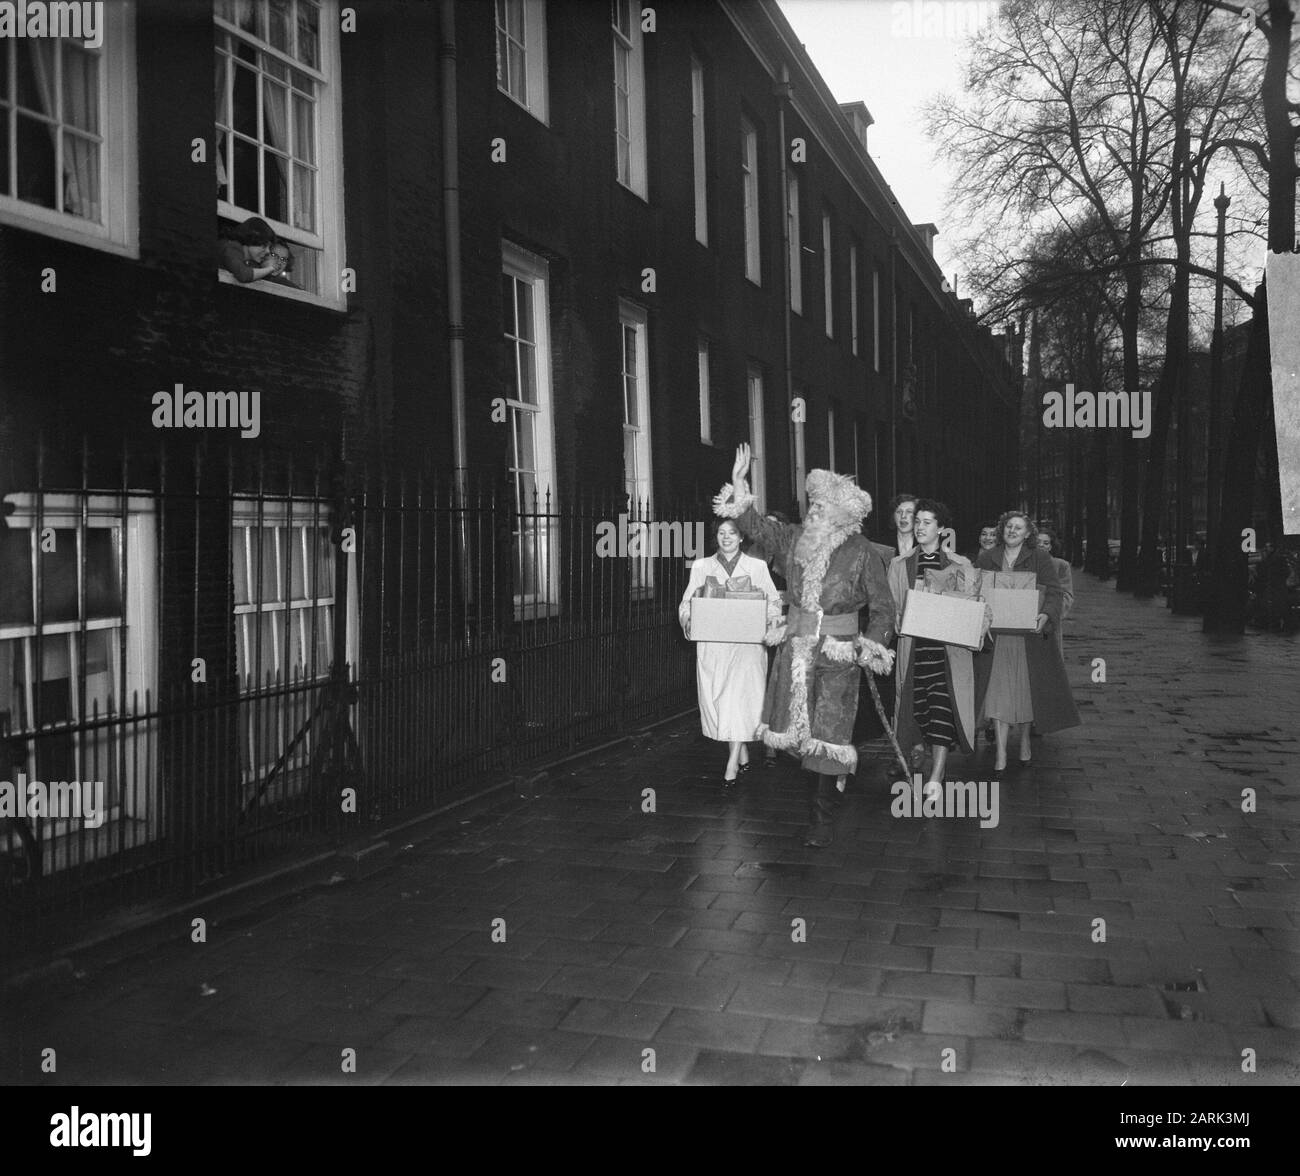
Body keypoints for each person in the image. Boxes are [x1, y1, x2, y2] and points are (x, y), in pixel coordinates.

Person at [716, 443, 894, 848]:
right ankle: (826, 785)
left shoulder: (862, 552)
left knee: (829, 732)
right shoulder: (795, 537)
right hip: (796, 649)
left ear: (841, 514)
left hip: (836, 653)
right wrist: (741, 482)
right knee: (796, 732)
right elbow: (756, 527)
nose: (813, 509)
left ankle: (821, 817)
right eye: (812, 503)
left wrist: (871, 645)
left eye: (822, 505)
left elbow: (884, 609)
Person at [888, 499, 988, 792]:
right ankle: (925, 757)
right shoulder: (899, 565)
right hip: (914, 651)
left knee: (942, 709)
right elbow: (890, 605)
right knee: (919, 711)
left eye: (926, 522)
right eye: (917, 521)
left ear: (941, 529)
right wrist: (894, 618)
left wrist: (973, 624)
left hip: (947, 653)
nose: (919, 527)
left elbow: (976, 609)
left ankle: (936, 775)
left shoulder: (961, 565)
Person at [678, 519, 782, 787]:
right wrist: (689, 620)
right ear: (716, 537)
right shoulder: (702, 567)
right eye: (722, 533)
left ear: (741, 537)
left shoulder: (757, 567)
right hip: (714, 645)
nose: (726, 537)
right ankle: (742, 749)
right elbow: (687, 603)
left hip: (747, 645)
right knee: (721, 701)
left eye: (732, 533)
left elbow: (773, 602)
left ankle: (731, 763)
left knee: (739, 699)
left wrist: (770, 622)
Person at [975, 510, 1080, 772]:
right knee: (997, 694)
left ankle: (1023, 740)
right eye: (1008, 526)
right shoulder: (987, 557)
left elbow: (1054, 592)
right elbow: (977, 591)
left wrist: (1046, 614)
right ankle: (1000, 753)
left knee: (1023, 693)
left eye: (1018, 528)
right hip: (997, 638)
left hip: (1027, 639)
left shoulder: (1040, 558)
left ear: (1028, 534)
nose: (1012, 531)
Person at [749, 511, 791, 767]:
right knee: (765, 681)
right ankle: (768, 741)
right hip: (760, 625)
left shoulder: (791, 554)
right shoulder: (753, 554)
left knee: (784, 680)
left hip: (788, 625)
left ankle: (782, 737)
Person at [1036, 524, 1074, 656]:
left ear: (1051, 547)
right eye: (1037, 542)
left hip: (1050, 627)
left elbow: (1067, 596)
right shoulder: (1021, 565)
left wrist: (1049, 614)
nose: (1041, 545)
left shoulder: (1061, 566)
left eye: (1046, 543)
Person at [217, 216, 288, 283]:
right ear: (251, 239)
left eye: (269, 247)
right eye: (264, 246)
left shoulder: (247, 261)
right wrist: (271, 268)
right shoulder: (231, 248)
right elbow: (243, 275)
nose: (267, 251)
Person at [887, 493, 919, 557]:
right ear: (893, 516)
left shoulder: (926, 544)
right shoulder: (882, 544)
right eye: (899, 512)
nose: (903, 516)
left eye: (909, 512)